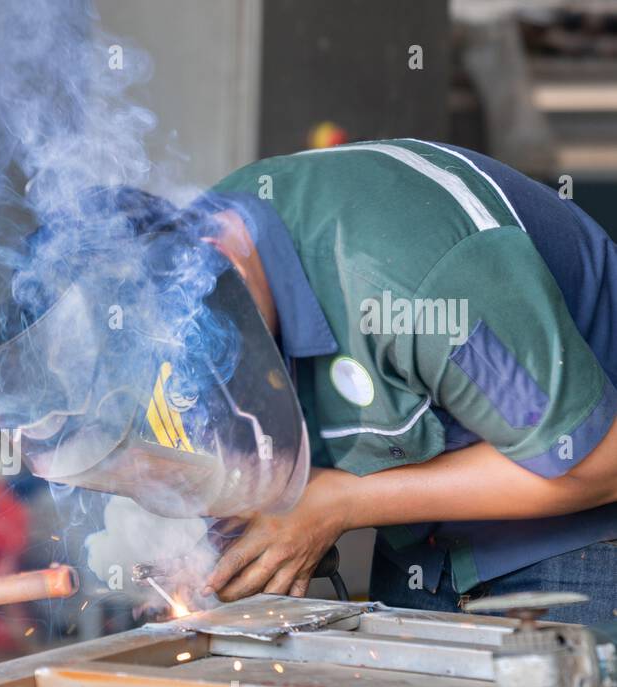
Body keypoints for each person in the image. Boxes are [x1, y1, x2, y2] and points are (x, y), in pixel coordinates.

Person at [192, 139, 617, 624]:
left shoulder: (416, 290)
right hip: (419, 556)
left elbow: (600, 464)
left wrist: (338, 503)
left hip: (576, 548)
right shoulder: (180, 255)